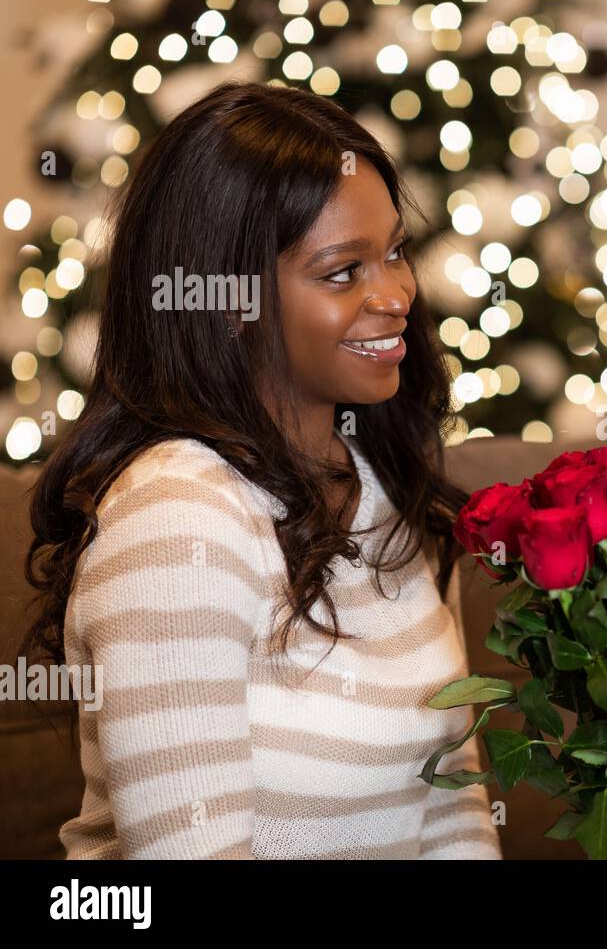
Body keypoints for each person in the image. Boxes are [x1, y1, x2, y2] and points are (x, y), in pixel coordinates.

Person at [22, 82, 500, 859]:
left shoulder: (387, 487)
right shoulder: (176, 520)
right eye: (342, 272)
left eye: (395, 252)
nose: (395, 295)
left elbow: (451, 808)